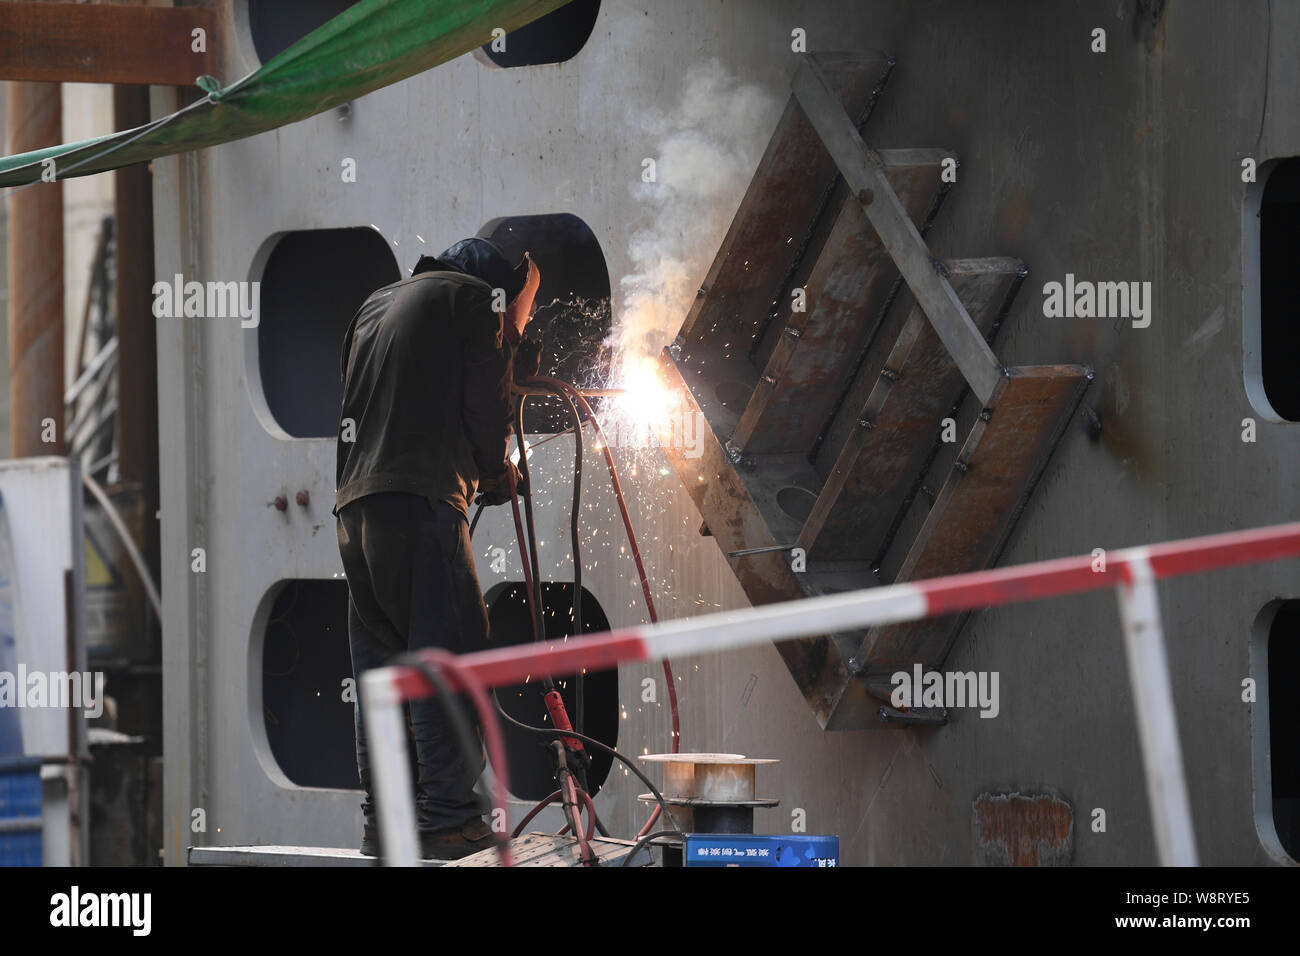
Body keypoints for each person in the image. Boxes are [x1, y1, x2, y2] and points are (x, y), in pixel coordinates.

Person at [334, 237, 541, 859]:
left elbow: (378, 403)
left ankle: (385, 821)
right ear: (501, 289)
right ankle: (452, 818)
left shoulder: (375, 307)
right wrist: (499, 472)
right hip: (421, 507)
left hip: (355, 511)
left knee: (385, 672)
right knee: (451, 654)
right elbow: (487, 410)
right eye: (523, 314)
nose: (518, 328)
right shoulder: (477, 302)